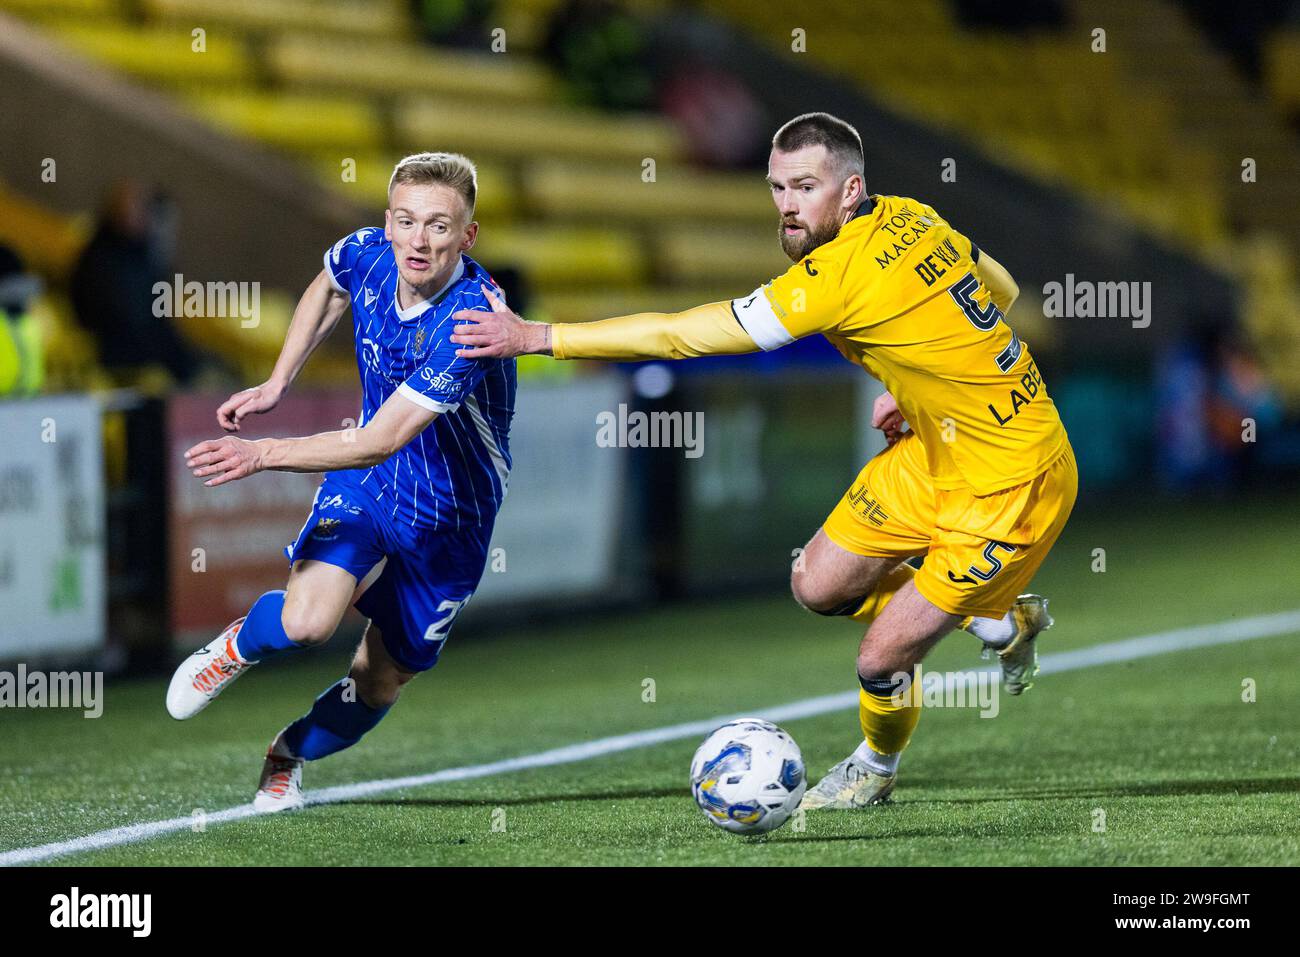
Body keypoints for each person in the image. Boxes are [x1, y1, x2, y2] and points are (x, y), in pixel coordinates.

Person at [449, 113, 1077, 810]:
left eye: (804, 187)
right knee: (817, 584)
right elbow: (1003, 291)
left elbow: (683, 335)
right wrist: (922, 393)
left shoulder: (833, 278)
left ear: (850, 190)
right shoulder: (911, 215)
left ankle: (874, 766)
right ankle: (996, 616)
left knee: (881, 657)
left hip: (1012, 478)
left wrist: (541, 334)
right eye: (777, 187)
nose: (786, 205)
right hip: (936, 451)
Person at [166, 152, 516, 812]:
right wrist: (278, 380)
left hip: (449, 519)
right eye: (407, 220)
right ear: (388, 221)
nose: (419, 240)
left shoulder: (473, 323)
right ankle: (240, 643)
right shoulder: (367, 251)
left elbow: (381, 435)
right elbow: (330, 284)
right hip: (371, 484)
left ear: (468, 235)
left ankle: (288, 751)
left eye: (440, 227)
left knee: (379, 680)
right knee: (306, 622)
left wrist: (263, 454)